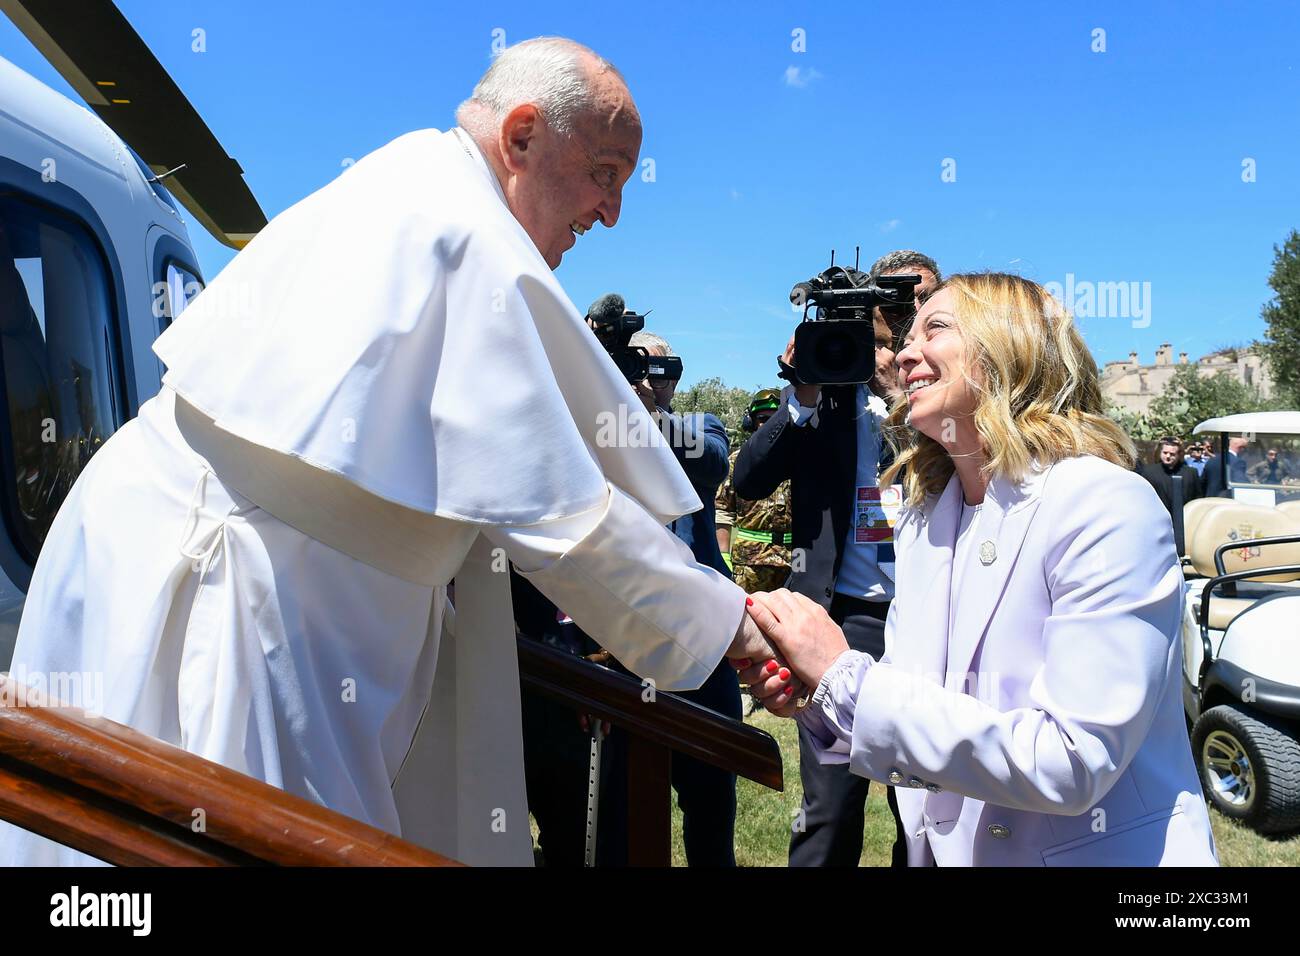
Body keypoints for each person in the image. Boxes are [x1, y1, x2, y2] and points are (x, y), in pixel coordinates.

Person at [0, 36, 774, 867]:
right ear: (520, 138)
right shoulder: (458, 228)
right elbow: (561, 518)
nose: (612, 211)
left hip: (259, 582)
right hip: (236, 595)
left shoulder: (423, 188)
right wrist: (733, 623)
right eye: (606, 172)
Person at [740, 272, 1219, 866]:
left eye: (933, 329)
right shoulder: (924, 521)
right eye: (905, 335)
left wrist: (845, 680)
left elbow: (1072, 761)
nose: (903, 352)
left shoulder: (1103, 503)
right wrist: (820, 699)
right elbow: (920, 703)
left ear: (1011, 346)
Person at [733, 249, 940, 867]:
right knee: (829, 809)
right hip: (844, 623)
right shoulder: (825, 403)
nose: (899, 342)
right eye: (886, 325)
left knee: (929, 811)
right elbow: (747, 479)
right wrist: (803, 391)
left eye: (920, 314)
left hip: (934, 619)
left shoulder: (954, 404)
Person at [715, 389, 793, 594]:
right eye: (763, 419)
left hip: (794, 563)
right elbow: (723, 511)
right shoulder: (736, 461)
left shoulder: (800, 460)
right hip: (748, 564)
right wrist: (723, 557)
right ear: (751, 422)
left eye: (776, 418)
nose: (769, 424)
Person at [1136, 437, 1204, 519]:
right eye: (1165, 453)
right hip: (1158, 518)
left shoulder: (1191, 473)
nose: (1168, 456)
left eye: (1172, 454)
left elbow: (1197, 498)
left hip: (1186, 518)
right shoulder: (1149, 473)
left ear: (1179, 455)